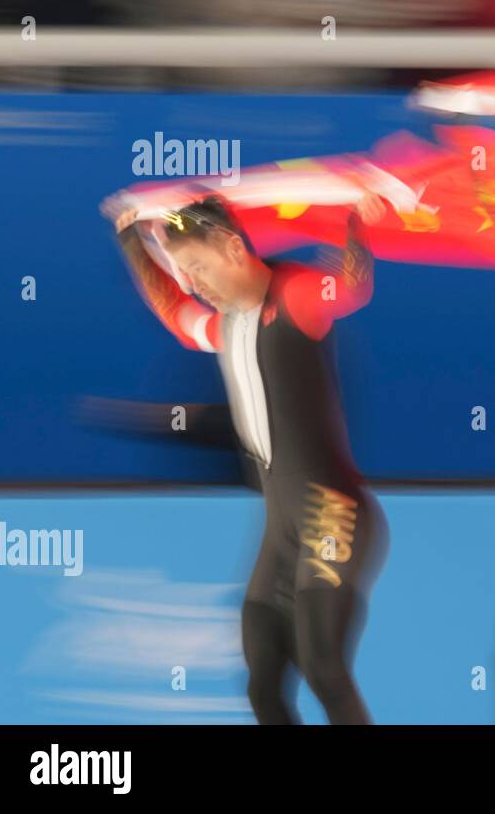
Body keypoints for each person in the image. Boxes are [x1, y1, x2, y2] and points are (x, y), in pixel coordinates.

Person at [103, 191, 388, 724]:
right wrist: (131, 240)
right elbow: (171, 308)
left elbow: (350, 286)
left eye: (198, 267)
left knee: (323, 667)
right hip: (282, 528)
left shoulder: (296, 297)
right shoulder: (225, 326)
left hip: (335, 514)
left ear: (233, 248)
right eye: (184, 271)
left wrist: (355, 217)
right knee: (263, 682)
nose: (193, 283)